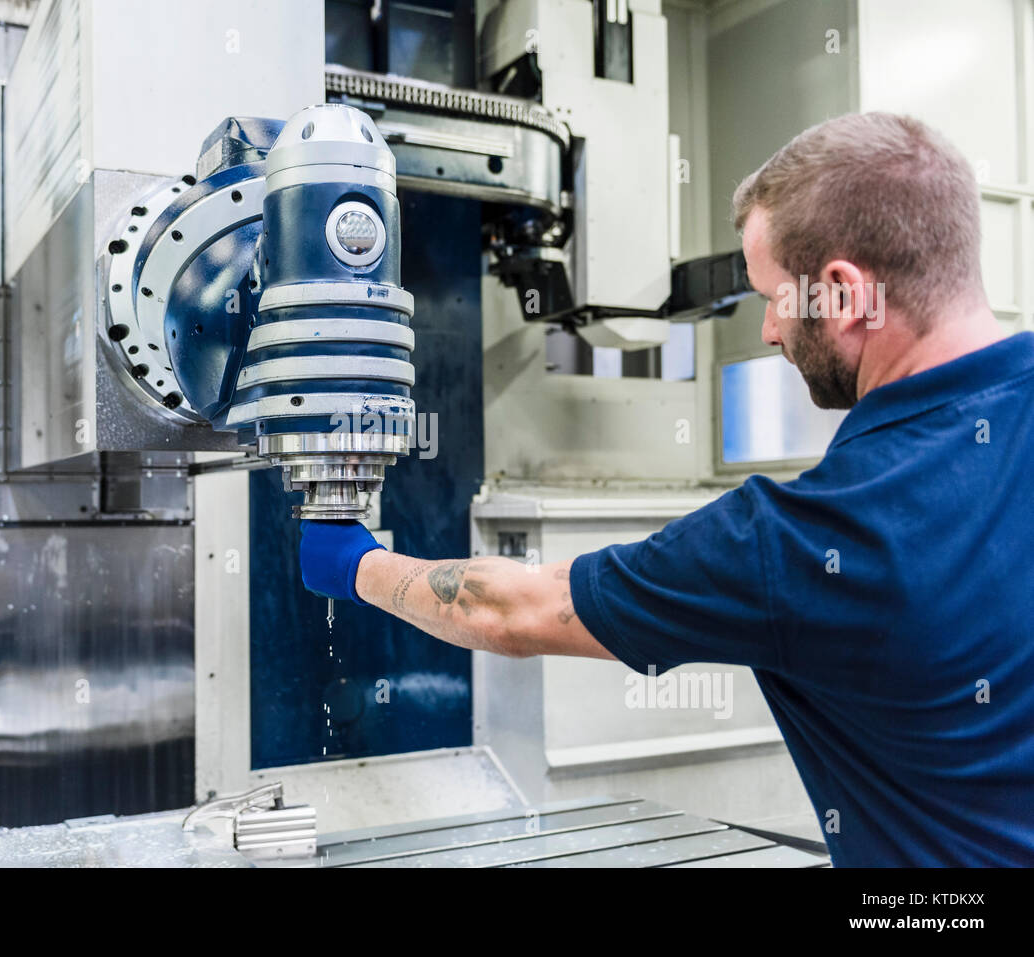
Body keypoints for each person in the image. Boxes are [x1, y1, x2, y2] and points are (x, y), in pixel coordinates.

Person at [298, 112, 1034, 867]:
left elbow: (512, 610)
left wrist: (351, 560)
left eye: (774, 298)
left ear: (841, 295)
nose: (774, 332)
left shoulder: (812, 537)